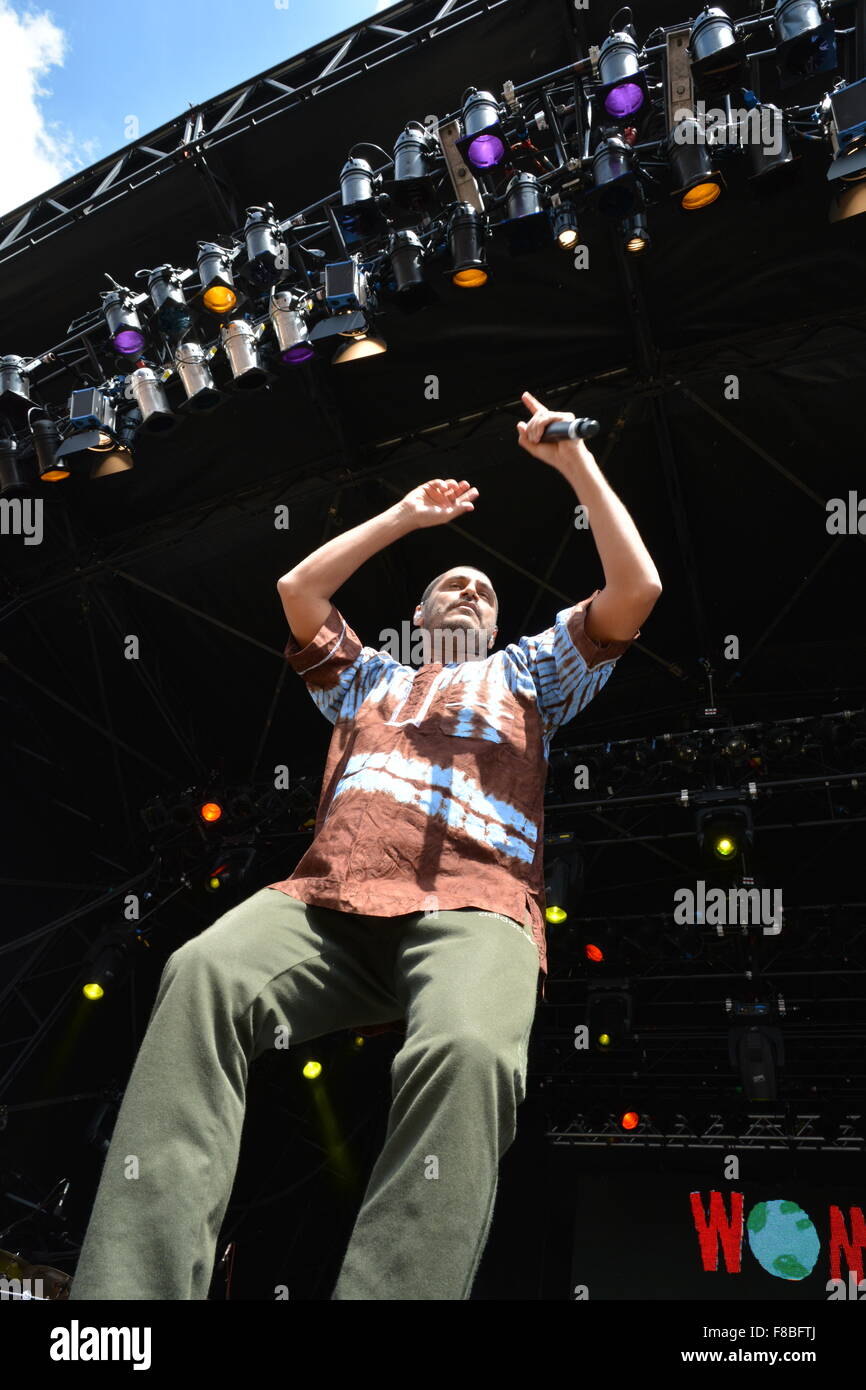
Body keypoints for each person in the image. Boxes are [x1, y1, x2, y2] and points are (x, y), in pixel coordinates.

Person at [69, 391, 661, 1301]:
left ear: (500, 625)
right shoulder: (369, 680)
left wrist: (575, 461)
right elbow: (297, 592)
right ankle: (129, 1306)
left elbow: (637, 590)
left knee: (468, 1051)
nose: (469, 589)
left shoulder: (532, 675)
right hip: (331, 900)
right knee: (202, 975)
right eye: (449, 585)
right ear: (419, 618)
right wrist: (403, 517)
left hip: (477, 904)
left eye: (485, 589)